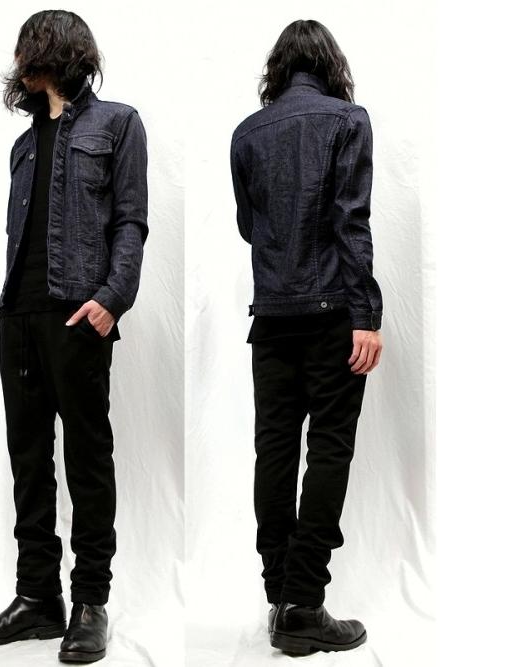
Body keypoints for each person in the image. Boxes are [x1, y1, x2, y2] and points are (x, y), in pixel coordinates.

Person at [0, 10, 148, 663]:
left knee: (88, 459)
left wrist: (111, 299)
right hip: (19, 315)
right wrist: (10, 311)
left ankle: (90, 601)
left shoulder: (117, 123)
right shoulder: (23, 144)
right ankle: (38, 597)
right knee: (28, 461)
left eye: (27, 51)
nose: (18, 65)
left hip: (78, 314)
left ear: (55, 51)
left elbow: (130, 221)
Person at [230, 19, 384, 656]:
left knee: (274, 451)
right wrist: (366, 314)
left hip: (271, 315)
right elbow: (351, 222)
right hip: (331, 314)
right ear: (329, 65)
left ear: (279, 67)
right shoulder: (348, 121)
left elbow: (250, 225)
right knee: (329, 450)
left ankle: (279, 596)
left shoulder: (247, 133)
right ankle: (304, 604)